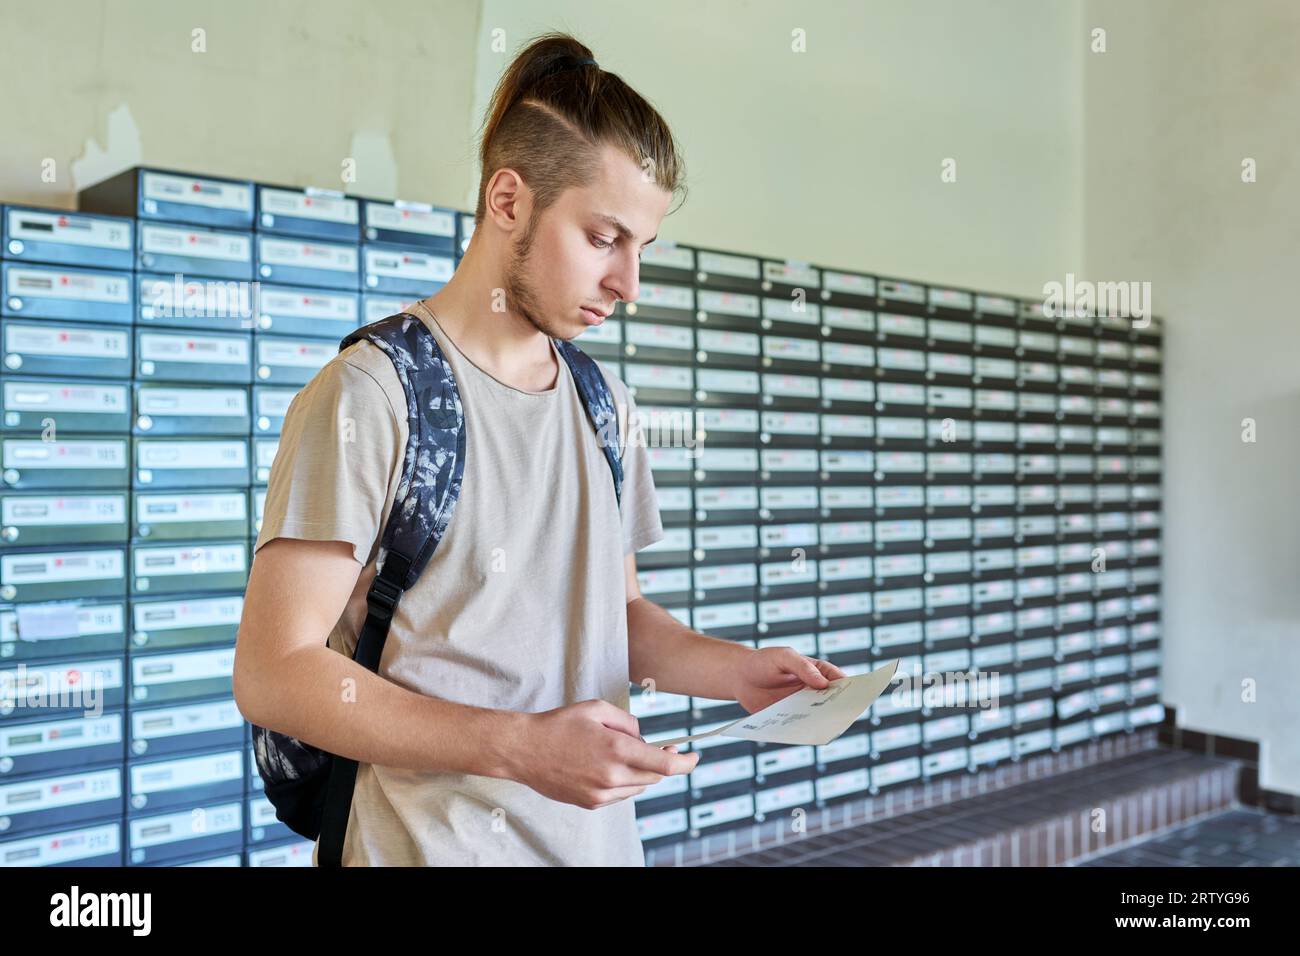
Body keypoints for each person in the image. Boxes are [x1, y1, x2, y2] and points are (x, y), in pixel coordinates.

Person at [233, 31, 846, 866]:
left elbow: (616, 619)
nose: (629, 284)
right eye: (604, 239)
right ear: (509, 200)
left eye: (642, 249)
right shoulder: (375, 395)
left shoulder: (603, 402)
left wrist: (735, 672)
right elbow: (275, 672)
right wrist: (516, 746)